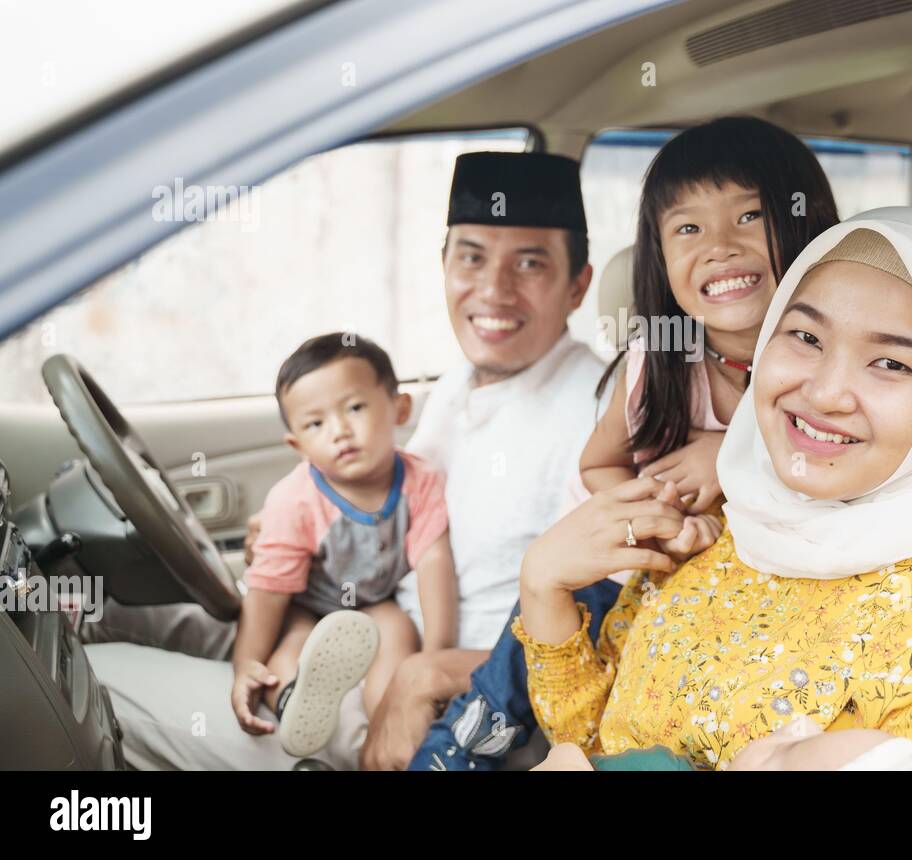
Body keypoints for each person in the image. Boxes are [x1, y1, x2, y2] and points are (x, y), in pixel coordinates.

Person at [81, 150, 608, 771]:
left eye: (529, 263)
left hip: (430, 700)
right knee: (99, 618)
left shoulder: (600, 416)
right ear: (444, 265)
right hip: (346, 618)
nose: (493, 289)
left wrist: (426, 674)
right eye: (471, 257)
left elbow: (609, 634)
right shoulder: (464, 380)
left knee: (95, 681)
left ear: (578, 284)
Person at [514, 208, 912, 770]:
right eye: (806, 336)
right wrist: (542, 587)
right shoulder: (721, 519)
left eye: (890, 363)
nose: (826, 392)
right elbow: (599, 746)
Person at [407, 116, 841, 770]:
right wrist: (653, 512)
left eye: (749, 217)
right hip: (611, 575)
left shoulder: (830, 373)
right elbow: (598, 465)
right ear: (660, 259)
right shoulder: (653, 366)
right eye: (688, 228)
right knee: (487, 708)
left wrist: (729, 455)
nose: (719, 246)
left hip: (720, 602)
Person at [231, 333, 456, 758]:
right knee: (294, 639)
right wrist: (245, 663)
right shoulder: (294, 500)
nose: (340, 431)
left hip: (372, 600)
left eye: (355, 408)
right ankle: (292, 698)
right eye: (315, 424)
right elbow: (268, 589)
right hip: (307, 601)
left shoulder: (420, 481)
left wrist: (437, 655)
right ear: (298, 446)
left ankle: (387, 719)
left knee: (396, 629)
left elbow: (434, 562)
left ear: (400, 408)